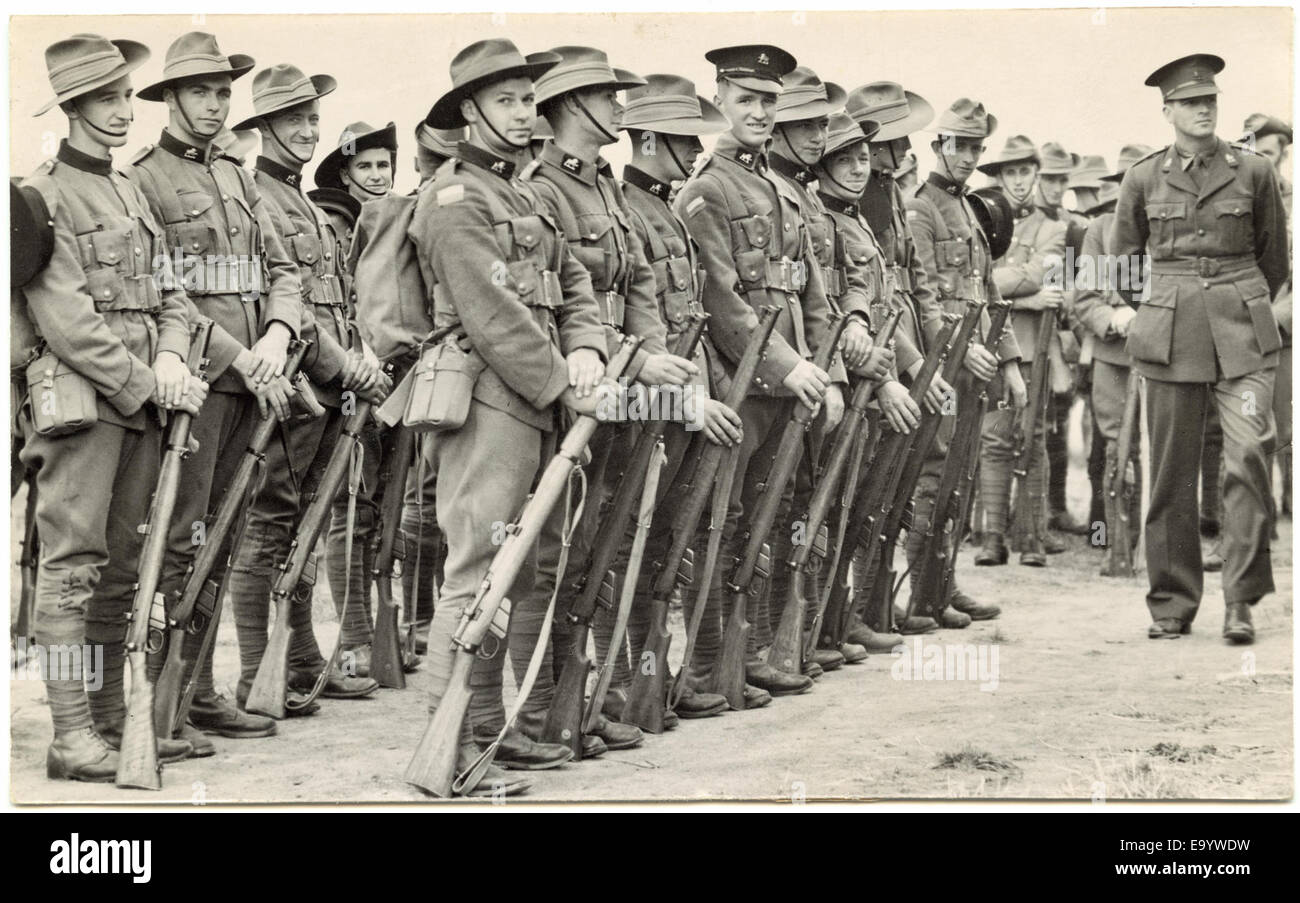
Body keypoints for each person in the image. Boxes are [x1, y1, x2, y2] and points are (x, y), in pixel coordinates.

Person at [410, 38, 612, 793]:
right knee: (475, 576)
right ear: (468, 112)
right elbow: (493, 317)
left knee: (519, 574)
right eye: (506, 101)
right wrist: (567, 382)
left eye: (529, 99)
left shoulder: (524, 193)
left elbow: (574, 281)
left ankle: (486, 732)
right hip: (489, 402)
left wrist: (587, 349)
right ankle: (445, 743)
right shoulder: (455, 199)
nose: (524, 113)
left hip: (543, 398)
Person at [17, 32, 208, 780]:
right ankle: (70, 731)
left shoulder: (130, 189)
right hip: (82, 412)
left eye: (128, 95)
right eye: (107, 99)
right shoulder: (41, 197)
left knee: (125, 569)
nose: (125, 111)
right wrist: (149, 378)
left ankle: (106, 717)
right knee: (71, 570)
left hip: (140, 400)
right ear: (72, 107)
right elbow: (67, 323)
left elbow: (174, 292)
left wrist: (169, 352)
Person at [126, 31, 304, 742]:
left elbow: (284, 269)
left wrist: (279, 337)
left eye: (223, 91)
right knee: (179, 538)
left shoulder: (238, 177)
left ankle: (196, 688)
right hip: (197, 383)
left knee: (224, 534)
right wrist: (241, 354)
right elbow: (166, 291)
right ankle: (157, 703)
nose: (214, 102)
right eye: (200, 90)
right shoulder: (145, 178)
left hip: (254, 381)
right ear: (169, 98)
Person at [675, 44, 841, 698]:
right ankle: (702, 664)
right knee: (722, 518)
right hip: (738, 383)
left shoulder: (778, 188)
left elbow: (807, 292)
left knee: (767, 518)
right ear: (719, 100)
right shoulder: (706, 189)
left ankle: (750, 656)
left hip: (789, 383)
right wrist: (789, 366)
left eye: (769, 101)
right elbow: (720, 299)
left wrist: (821, 372)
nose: (760, 113)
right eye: (746, 100)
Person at [224, 63, 386, 711]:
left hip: (329, 387)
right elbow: (283, 302)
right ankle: (255, 674)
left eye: (312, 119)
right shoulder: (256, 195)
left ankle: (298, 659)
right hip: (292, 389)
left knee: (305, 527)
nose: (306, 129)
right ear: (263, 127)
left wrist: (360, 353)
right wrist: (344, 365)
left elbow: (335, 298)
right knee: (267, 528)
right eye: (293, 119)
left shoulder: (303, 203)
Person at [1110, 54, 1288, 643]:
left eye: (1209, 100)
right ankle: (1172, 602)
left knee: (1248, 460)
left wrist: (1239, 294)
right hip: (1170, 331)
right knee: (1171, 473)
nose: (1204, 109)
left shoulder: (1254, 171)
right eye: (1190, 103)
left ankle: (1240, 600)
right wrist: (1165, 302)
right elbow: (1126, 265)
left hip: (1244, 330)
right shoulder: (1142, 177)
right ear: (1168, 113)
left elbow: (1274, 258)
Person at [616, 72, 741, 716]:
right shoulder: (627, 210)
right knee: (634, 538)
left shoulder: (663, 207)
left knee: (673, 537)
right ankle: (629, 681)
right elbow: (641, 327)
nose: (693, 151)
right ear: (641, 140)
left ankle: (672, 675)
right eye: (678, 139)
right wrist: (685, 397)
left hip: (688, 397)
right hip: (649, 402)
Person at [766, 66, 883, 671]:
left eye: (820, 124)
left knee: (816, 502)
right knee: (778, 511)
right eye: (806, 125)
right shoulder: (773, 191)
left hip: (820, 367)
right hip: (780, 374)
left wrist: (852, 334)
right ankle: (756, 644)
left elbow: (835, 288)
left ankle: (808, 632)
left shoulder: (805, 197)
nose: (818, 136)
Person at [906, 98, 1026, 624]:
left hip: (977, 364)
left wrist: (1013, 364)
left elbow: (989, 290)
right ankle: (923, 593)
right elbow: (924, 295)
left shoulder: (968, 208)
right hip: (944, 363)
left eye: (976, 146)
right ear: (938, 146)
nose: (968, 155)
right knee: (933, 476)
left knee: (962, 477)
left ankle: (946, 583)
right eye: (959, 145)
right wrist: (957, 353)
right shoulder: (921, 208)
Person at [972, 135, 1067, 567]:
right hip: (993, 343)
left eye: (1025, 171)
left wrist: (1003, 278)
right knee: (993, 439)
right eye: (1009, 172)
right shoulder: (982, 220)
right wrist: (1024, 294)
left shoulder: (1053, 228)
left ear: (1036, 173)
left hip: (1034, 346)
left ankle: (1032, 537)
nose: (1019, 180)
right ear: (999, 177)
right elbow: (981, 276)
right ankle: (994, 539)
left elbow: (1037, 273)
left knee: (1032, 439)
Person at [1071, 144, 1151, 572]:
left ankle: (1158, 547)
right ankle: (1115, 544)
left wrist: (1149, 315)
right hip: (1114, 356)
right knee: (1114, 450)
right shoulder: (1100, 232)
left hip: (1167, 355)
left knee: (1162, 452)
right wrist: (1117, 316)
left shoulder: (1171, 227)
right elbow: (1083, 298)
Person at [315, 120, 398, 203]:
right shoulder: (328, 215)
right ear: (345, 176)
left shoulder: (406, 212)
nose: (376, 177)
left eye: (382, 165)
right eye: (364, 167)